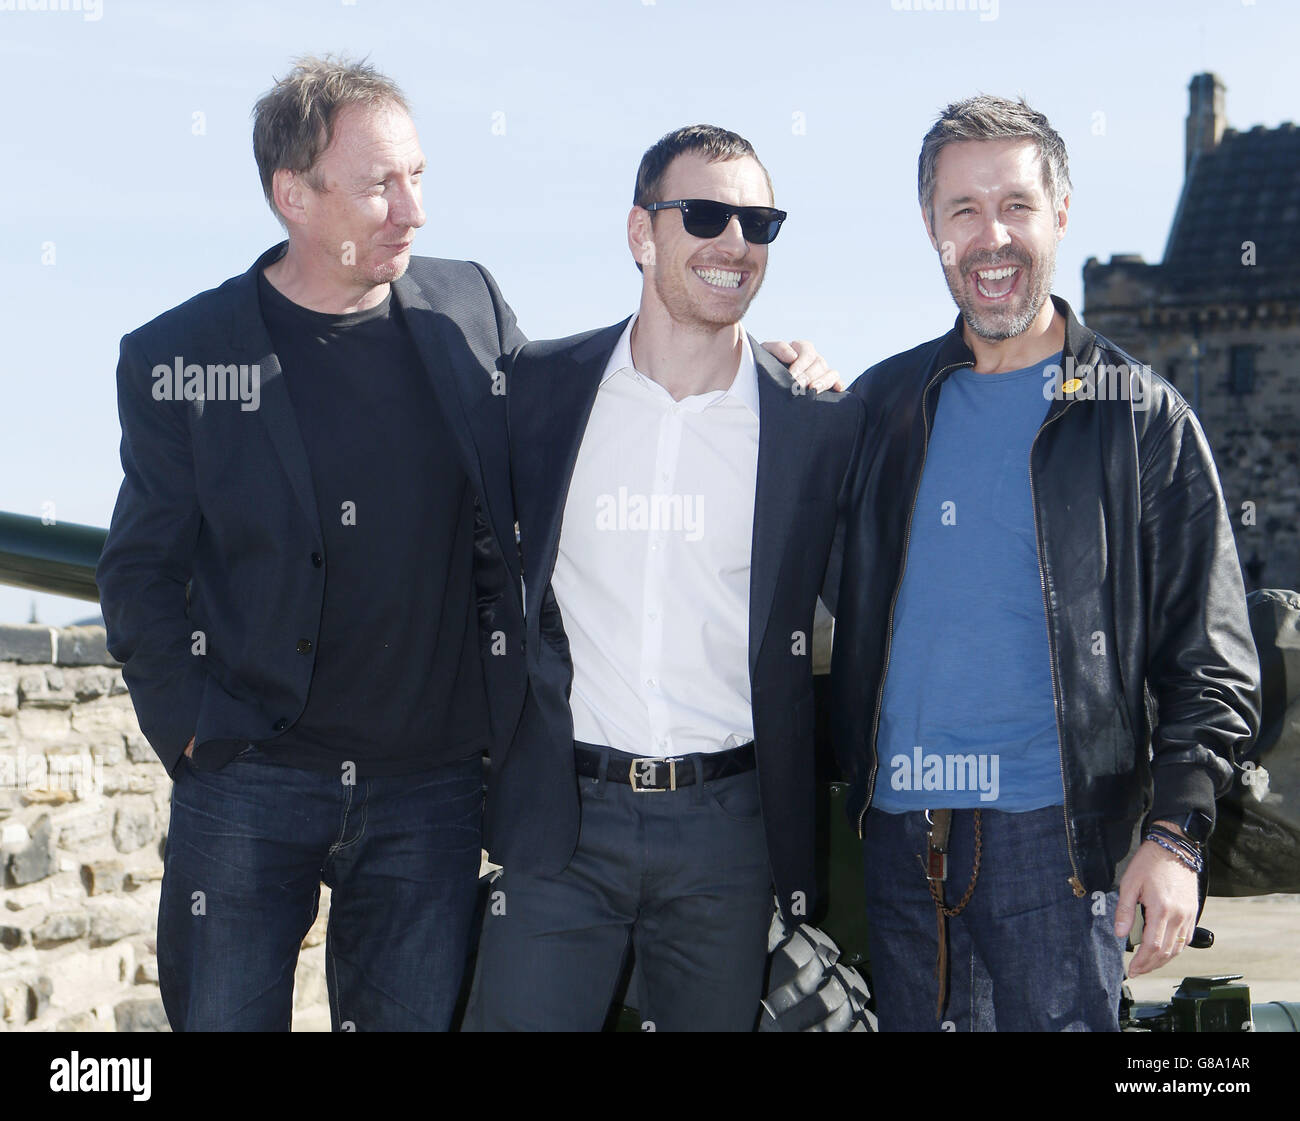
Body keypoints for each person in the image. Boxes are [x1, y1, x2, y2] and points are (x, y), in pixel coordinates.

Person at [97, 58, 832, 1032]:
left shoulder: (469, 310)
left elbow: (595, 408)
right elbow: (140, 570)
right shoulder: (179, 355)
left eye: (419, 175)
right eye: (379, 184)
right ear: (293, 196)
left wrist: (772, 373)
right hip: (249, 781)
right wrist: (190, 731)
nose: (414, 209)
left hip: (429, 790)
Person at [830, 95, 1261, 1031]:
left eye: (1018, 205)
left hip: (1059, 854)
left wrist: (1177, 833)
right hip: (903, 849)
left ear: (1060, 215)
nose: (994, 236)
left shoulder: (1142, 418)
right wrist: (784, 388)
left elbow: (1214, 661)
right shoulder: (879, 407)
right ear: (932, 228)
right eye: (964, 210)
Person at [467, 125, 865, 1031]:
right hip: (562, 821)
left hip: (727, 832)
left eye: (758, 221)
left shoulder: (814, 427)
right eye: (708, 215)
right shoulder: (537, 390)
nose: (736, 242)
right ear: (642, 233)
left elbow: (874, 611)